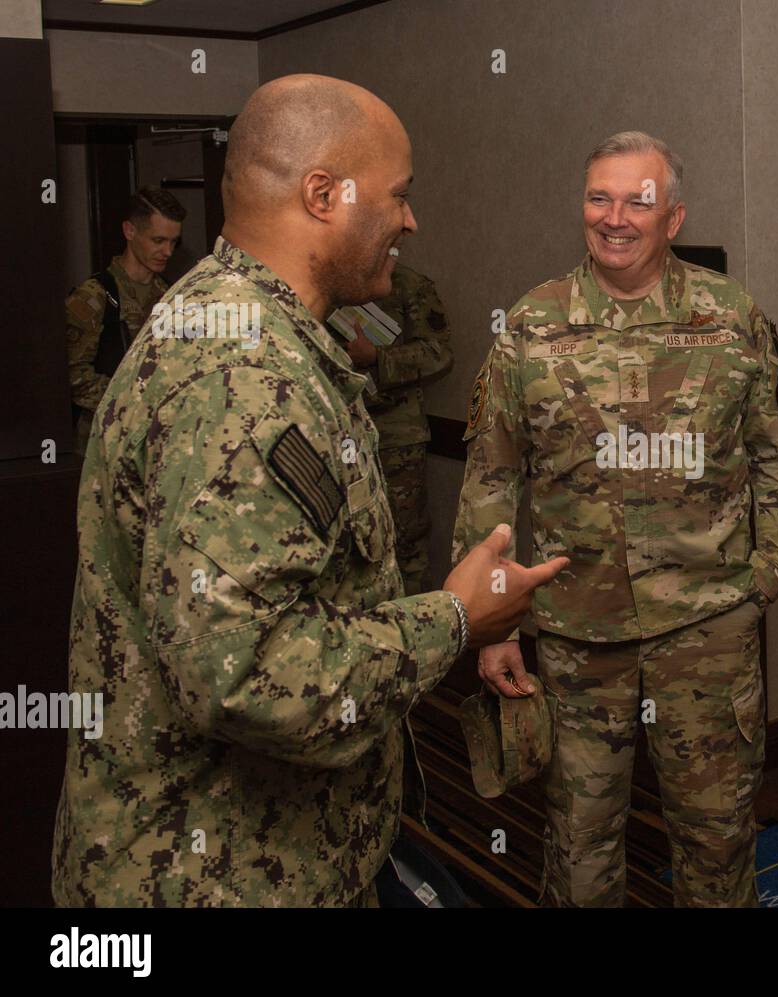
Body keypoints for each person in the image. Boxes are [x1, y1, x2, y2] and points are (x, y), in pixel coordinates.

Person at [52, 74, 567, 908]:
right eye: (400, 196)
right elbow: (246, 677)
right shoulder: (242, 375)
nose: (410, 219)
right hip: (216, 876)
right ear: (324, 194)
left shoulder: (240, 326)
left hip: (277, 853)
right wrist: (458, 616)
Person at [452, 130, 778, 907]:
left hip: (707, 645)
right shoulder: (531, 324)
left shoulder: (731, 320)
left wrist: (754, 583)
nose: (614, 217)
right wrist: (491, 624)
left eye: (637, 200)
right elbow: (490, 477)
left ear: (673, 216)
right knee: (579, 847)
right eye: (599, 197)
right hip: (574, 640)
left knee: (717, 842)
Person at [343, 263, 453, 595]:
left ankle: (421, 634)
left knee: (406, 542)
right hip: (341, 431)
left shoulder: (410, 285)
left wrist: (377, 356)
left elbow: (439, 354)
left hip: (395, 438)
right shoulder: (335, 282)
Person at [65, 186, 185, 451]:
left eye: (173, 242)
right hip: (102, 442)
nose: (167, 251)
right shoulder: (93, 298)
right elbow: (73, 376)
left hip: (154, 442)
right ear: (130, 231)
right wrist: (131, 401)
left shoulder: (172, 297)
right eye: (158, 240)